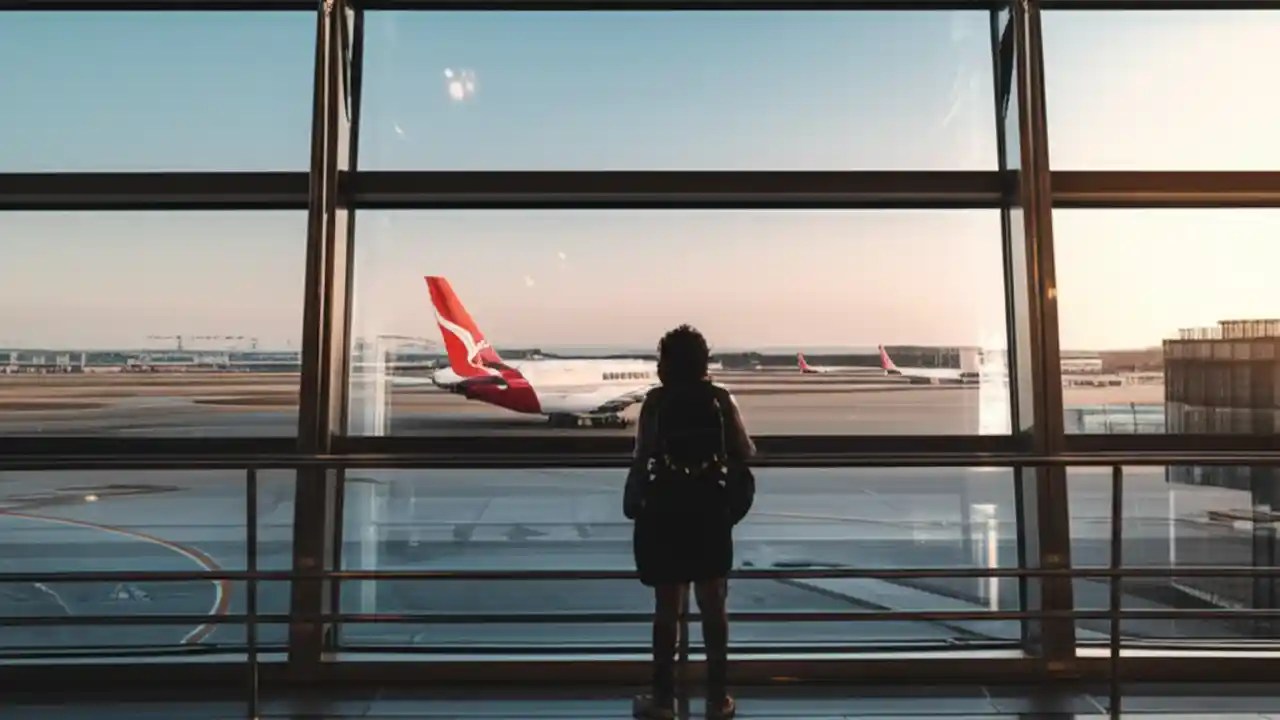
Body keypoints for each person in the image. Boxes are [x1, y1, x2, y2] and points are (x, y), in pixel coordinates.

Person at [624, 325, 755, 720]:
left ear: (667, 364)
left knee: (667, 610)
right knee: (713, 607)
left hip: (665, 511)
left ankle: (662, 699)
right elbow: (744, 450)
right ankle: (717, 699)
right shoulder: (719, 400)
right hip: (710, 512)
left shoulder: (656, 403)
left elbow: (642, 454)